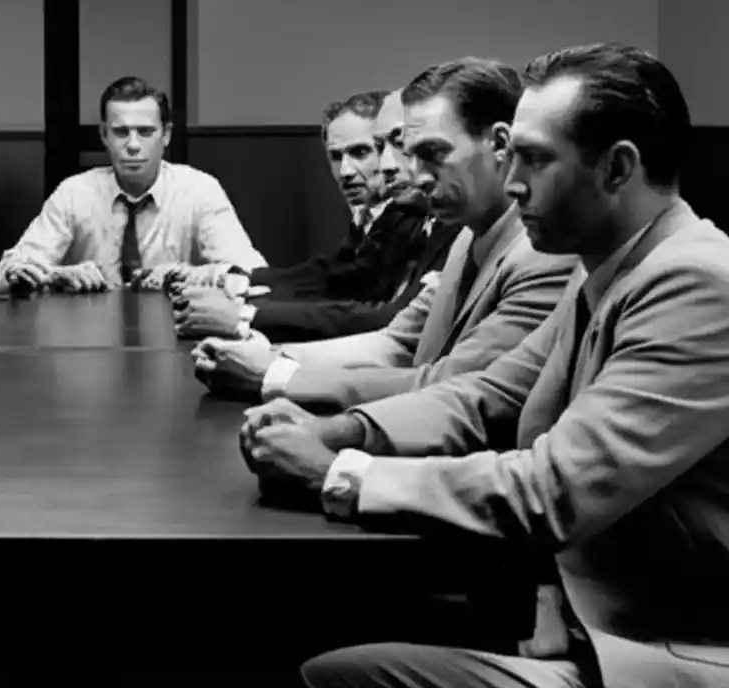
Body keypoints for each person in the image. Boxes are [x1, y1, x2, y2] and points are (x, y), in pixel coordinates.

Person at [240, 43, 729, 688]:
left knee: (325, 668)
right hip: (570, 612)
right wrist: (342, 430)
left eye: (533, 158)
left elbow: (550, 492)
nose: (513, 180)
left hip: (658, 652)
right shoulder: (611, 268)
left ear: (617, 169)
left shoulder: (695, 282)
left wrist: (339, 473)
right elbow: (485, 393)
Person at [197, 59, 576, 407]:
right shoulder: (467, 237)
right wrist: (266, 357)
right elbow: (396, 341)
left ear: (498, 144)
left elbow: (452, 386)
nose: (416, 174)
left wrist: (275, 376)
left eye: (433, 153)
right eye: (406, 153)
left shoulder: (542, 256)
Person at [174, 89, 457, 342]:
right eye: (383, 147)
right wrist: (240, 287)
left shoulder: (432, 219)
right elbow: (333, 277)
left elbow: (386, 319)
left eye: (363, 151)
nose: (387, 166)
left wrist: (245, 316)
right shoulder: (400, 213)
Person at [0, 76, 267, 295]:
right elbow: (13, 266)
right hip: (87, 339)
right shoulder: (75, 193)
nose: (132, 145)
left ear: (165, 135)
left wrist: (184, 274)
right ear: (104, 135)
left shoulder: (199, 190)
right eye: (120, 132)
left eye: (145, 132)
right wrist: (55, 275)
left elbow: (250, 273)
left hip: (179, 331)